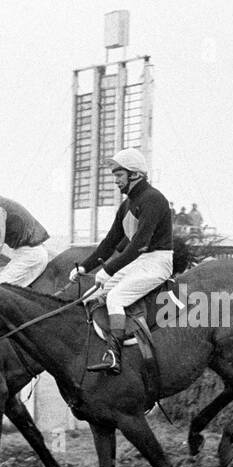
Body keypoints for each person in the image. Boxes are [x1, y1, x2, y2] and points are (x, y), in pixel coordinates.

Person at [68, 148, 173, 375]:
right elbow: (110, 241)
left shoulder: (153, 199)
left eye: (118, 175)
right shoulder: (126, 205)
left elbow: (140, 244)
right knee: (91, 296)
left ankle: (115, 355)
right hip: (140, 261)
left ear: (134, 174)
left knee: (115, 297)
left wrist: (108, 269)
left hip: (157, 262)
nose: (115, 180)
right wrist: (85, 266)